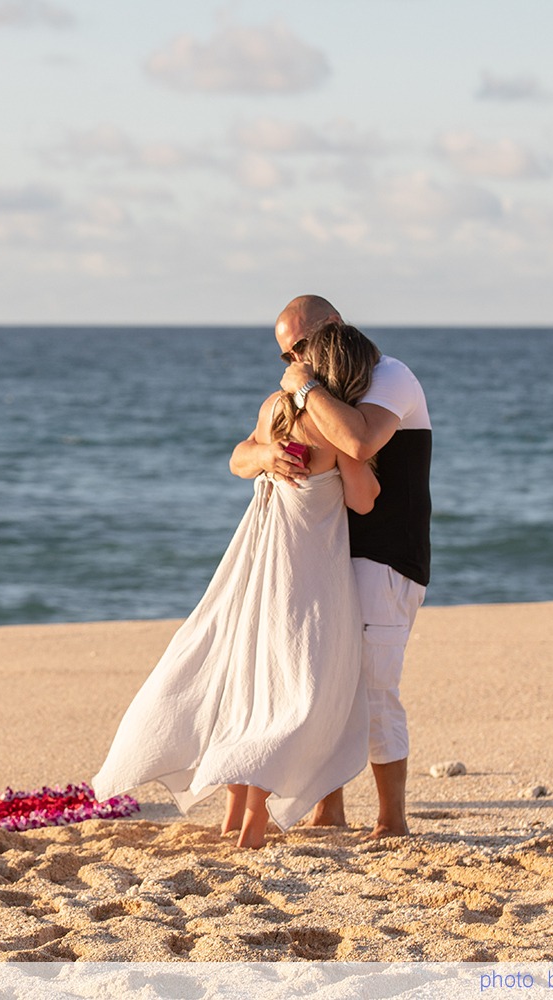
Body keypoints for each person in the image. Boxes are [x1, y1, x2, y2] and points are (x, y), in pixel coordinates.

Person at [92, 322, 383, 848]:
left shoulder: (277, 408)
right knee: (299, 690)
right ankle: (252, 817)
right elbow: (363, 500)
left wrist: (268, 456)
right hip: (309, 571)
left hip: (260, 564)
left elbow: (240, 455)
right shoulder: (335, 433)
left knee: (252, 677)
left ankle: (235, 812)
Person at [230, 295, 432, 839]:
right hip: (329, 555)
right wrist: (266, 457)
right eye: (286, 355)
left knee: (370, 683)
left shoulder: (391, 377)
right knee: (324, 675)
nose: (294, 359)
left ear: (334, 328)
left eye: (299, 346)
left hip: (385, 552)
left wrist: (304, 388)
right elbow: (243, 453)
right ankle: (329, 808)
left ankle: (392, 820)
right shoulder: (308, 394)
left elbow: (359, 440)